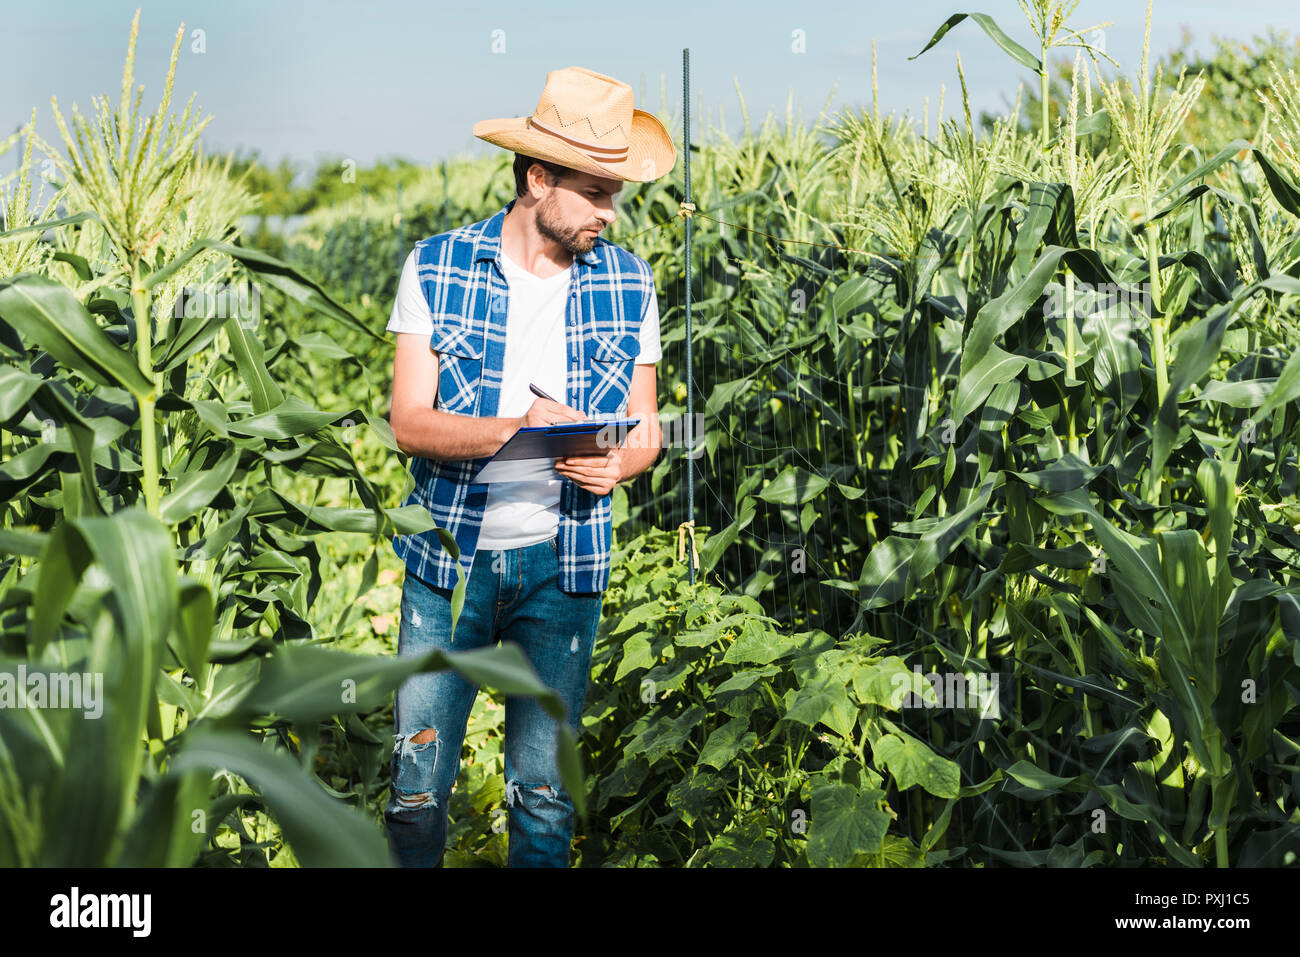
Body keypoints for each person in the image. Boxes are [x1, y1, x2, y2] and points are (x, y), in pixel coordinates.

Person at [382, 66, 675, 867]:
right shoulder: (437, 267)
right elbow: (408, 421)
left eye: (616, 193)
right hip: (449, 567)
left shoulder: (629, 279)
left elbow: (646, 429)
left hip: (563, 568)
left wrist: (618, 465)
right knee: (415, 792)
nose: (610, 214)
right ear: (537, 177)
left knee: (544, 798)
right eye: (595, 192)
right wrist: (514, 430)